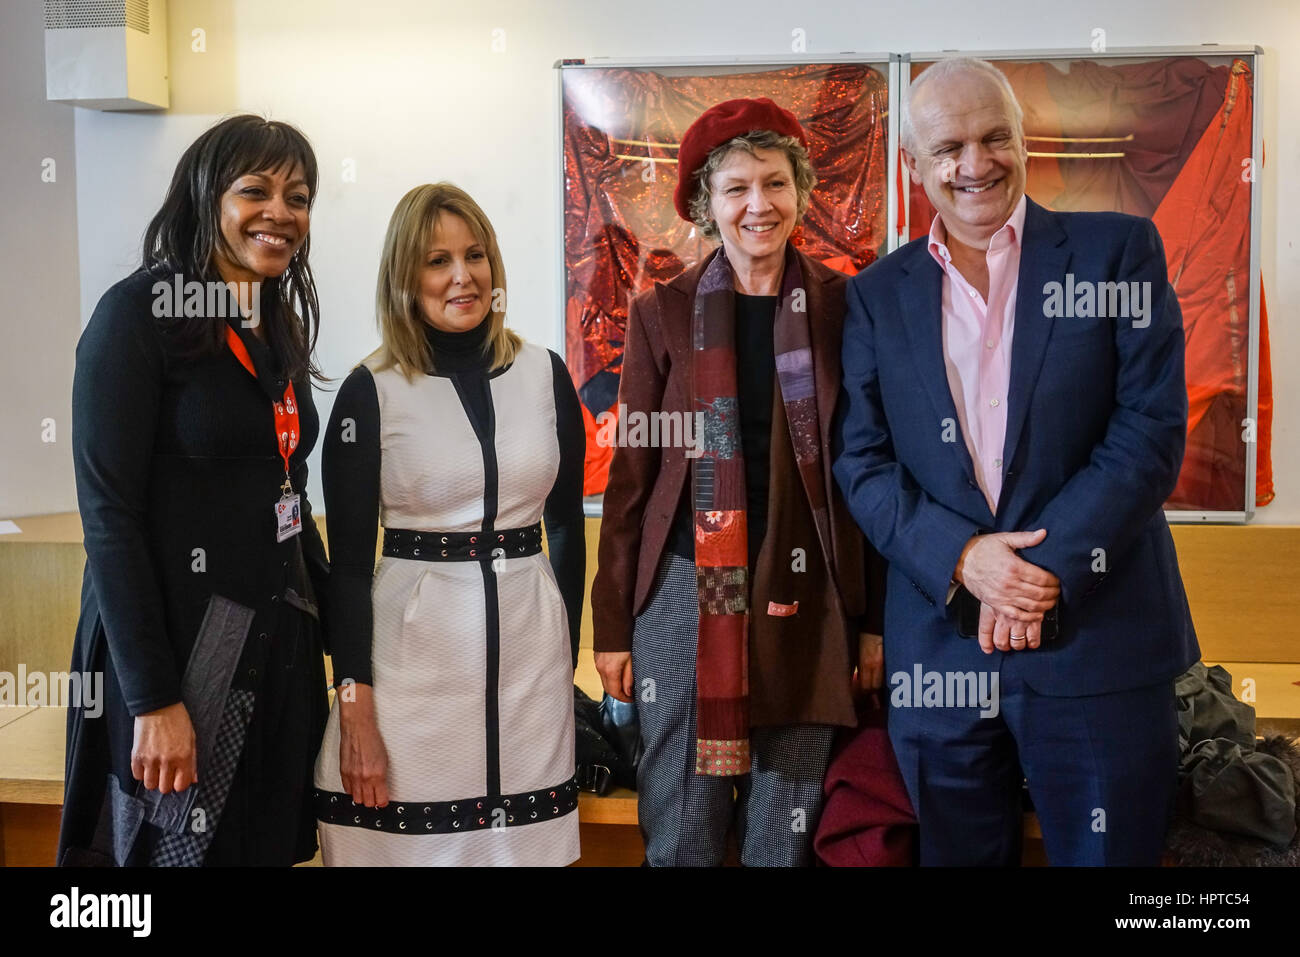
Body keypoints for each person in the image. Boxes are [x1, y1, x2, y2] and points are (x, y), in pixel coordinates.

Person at [833, 57, 1200, 866]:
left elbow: (1150, 431)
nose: (975, 164)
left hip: (1099, 644)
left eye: (996, 137)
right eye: (950, 147)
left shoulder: (1118, 253)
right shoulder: (875, 295)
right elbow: (860, 460)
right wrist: (966, 561)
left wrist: (1038, 573)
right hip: (941, 656)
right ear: (913, 165)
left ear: (1023, 140)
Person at [592, 98, 884, 867]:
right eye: (737, 187)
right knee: (681, 820)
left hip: (807, 587)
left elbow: (872, 473)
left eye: (777, 183)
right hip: (686, 588)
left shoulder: (846, 307)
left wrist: (874, 619)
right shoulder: (662, 312)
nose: (760, 204)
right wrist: (614, 625)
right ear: (704, 204)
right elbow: (631, 481)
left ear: (801, 190)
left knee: (781, 823)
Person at [59, 115, 331, 866]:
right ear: (207, 196)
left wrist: (350, 650)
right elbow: (108, 519)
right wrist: (151, 698)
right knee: (165, 858)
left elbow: (289, 495)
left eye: (299, 197)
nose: (281, 212)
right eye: (257, 190)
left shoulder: (269, 321)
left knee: (256, 847)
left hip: (270, 647)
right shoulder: (135, 315)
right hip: (175, 656)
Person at [313, 183, 585, 866]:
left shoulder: (546, 375)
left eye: (475, 255)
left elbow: (569, 530)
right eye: (437, 260)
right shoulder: (369, 390)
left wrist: (564, 658)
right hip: (411, 671)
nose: (462, 276)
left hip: (531, 668)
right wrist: (355, 709)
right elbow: (346, 567)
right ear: (405, 276)